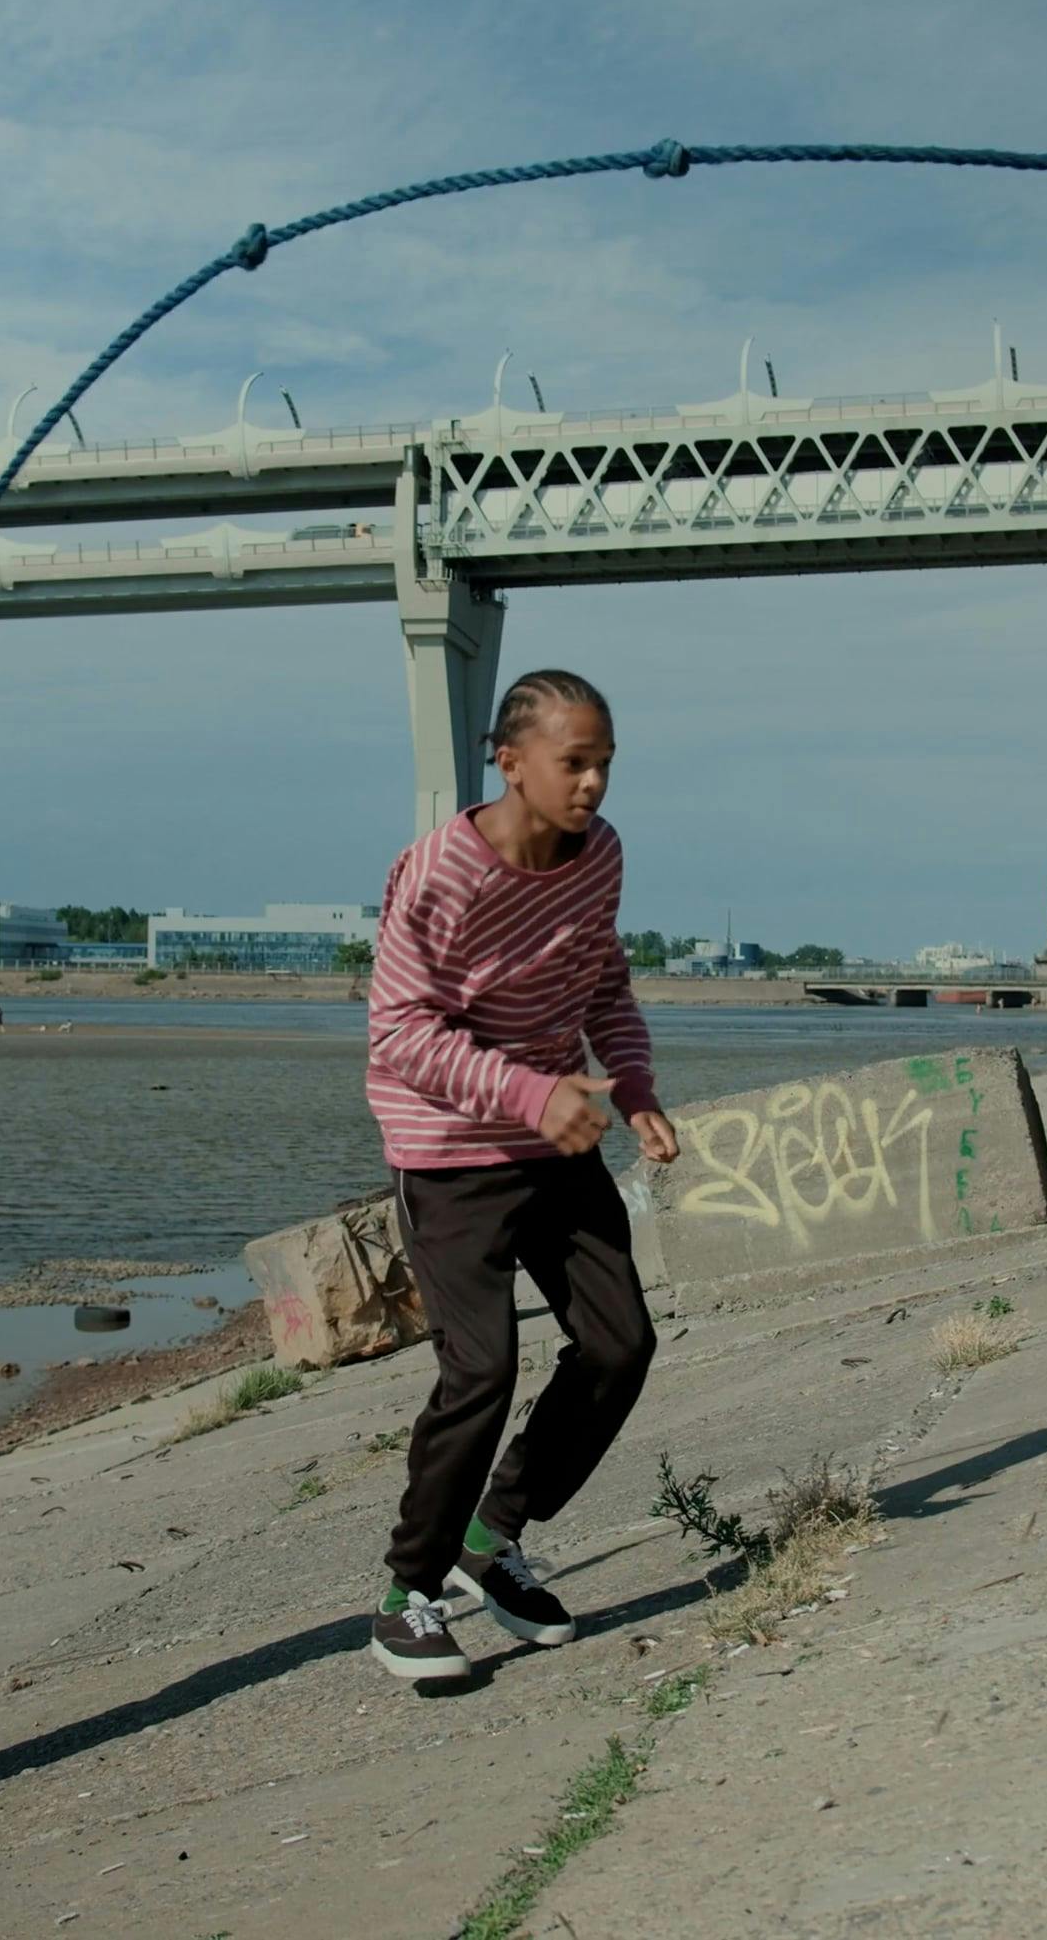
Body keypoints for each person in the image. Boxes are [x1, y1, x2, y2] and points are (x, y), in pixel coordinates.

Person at [360, 669, 680, 1682]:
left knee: (620, 1342)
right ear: (509, 761)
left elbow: (603, 985)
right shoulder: (438, 874)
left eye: (604, 765)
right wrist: (530, 1093)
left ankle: (492, 1541)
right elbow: (401, 1032)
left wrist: (632, 1089)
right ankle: (407, 1595)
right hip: (451, 1154)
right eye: (572, 763)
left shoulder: (601, 856)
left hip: (556, 1140)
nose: (591, 785)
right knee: (481, 1369)